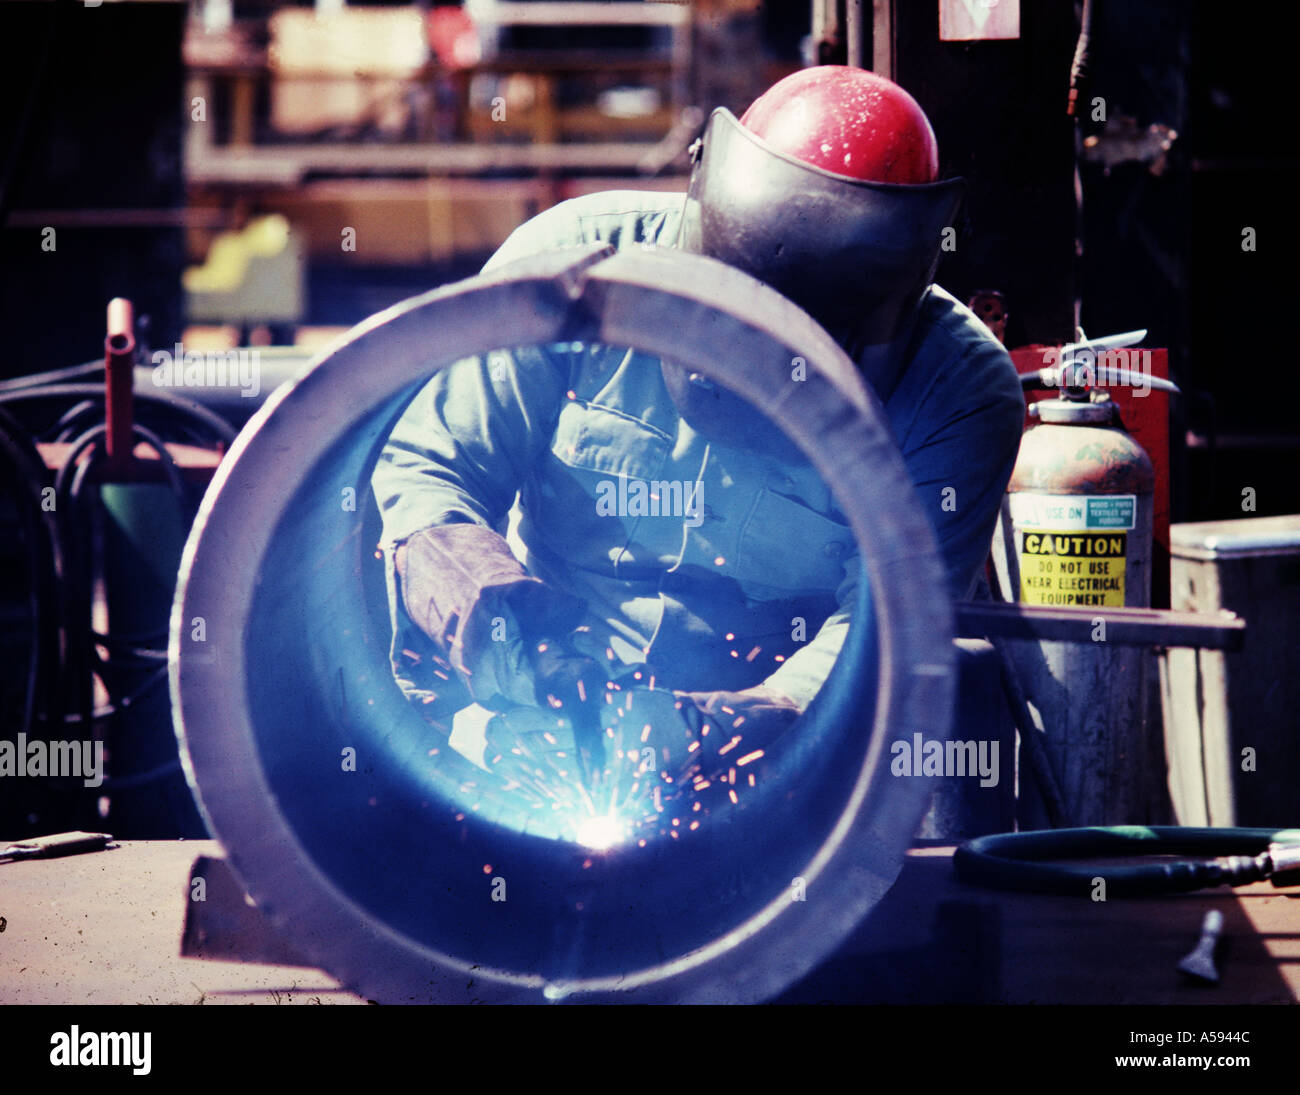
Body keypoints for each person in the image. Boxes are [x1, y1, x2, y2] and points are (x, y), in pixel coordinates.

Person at [370, 67, 1024, 813]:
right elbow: (431, 466)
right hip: (531, 728)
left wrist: (722, 725)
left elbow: (885, 634)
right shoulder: (571, 274)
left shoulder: (958, 395)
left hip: (780, 773)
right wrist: (489, 610)